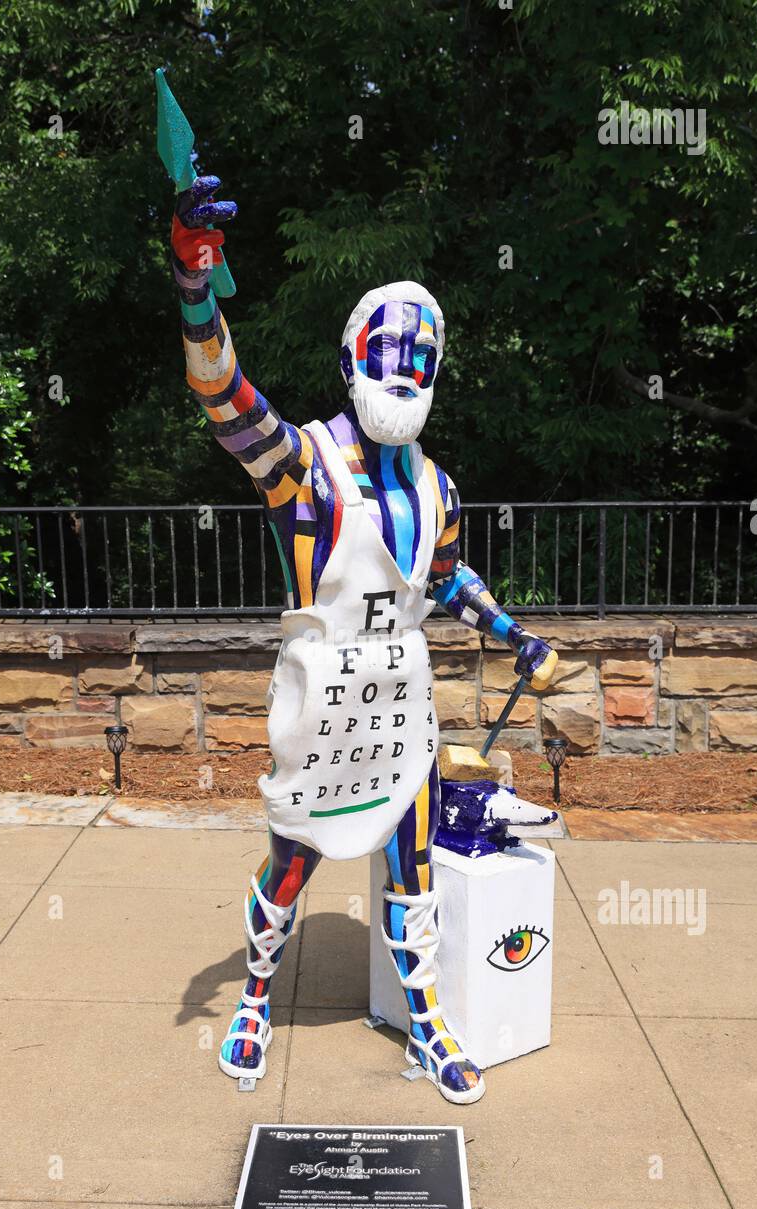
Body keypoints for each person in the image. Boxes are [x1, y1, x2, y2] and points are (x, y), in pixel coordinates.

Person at [170, 176, 557, 1104]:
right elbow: (222, 397)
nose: (402, 369)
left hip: (401, 701)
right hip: (322, 704)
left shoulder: (438, 486)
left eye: (419, 359)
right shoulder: (304, 465)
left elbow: (446, 578)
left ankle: (424, 1019)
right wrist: (193, 277)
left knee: (411, 863)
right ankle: (256, 996)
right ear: (351, 357)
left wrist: (511, 632)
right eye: (385, 350)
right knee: (297, 854)